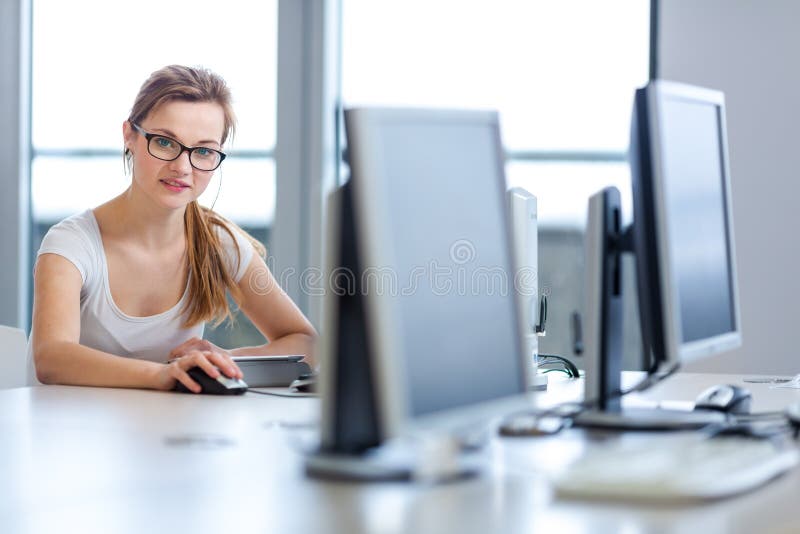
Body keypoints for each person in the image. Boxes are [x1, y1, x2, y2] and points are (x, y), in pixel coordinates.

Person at [30, 65, 317, 393]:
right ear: (129, 136)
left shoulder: (217, 242)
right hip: (64, 423)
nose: (182, 167)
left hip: (163, 423)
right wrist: (162, 374)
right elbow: (52, 357)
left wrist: (224, 360)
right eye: (165, 142)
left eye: (204, 151)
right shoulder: (71, 245)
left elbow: (306, 342)